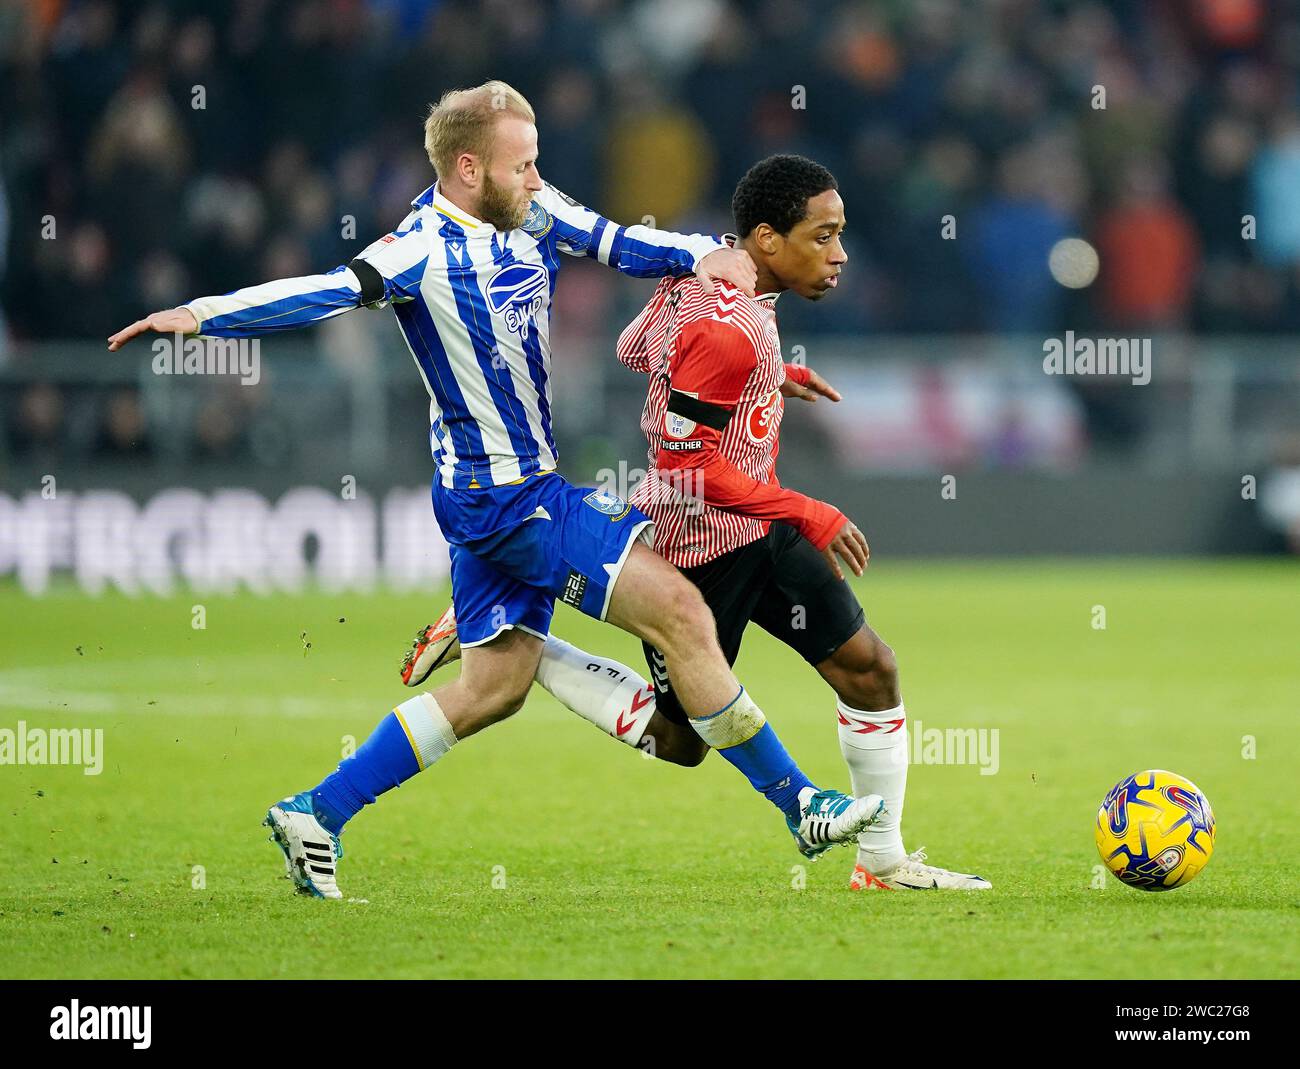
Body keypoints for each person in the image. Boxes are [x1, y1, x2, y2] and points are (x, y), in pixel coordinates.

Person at [108, 85, 885, 899]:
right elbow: (323, 290)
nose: (539, 175)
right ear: (471, 167)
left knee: (493, 688)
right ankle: (801, 802)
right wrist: (200, 314)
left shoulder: (529, 209)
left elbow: (612, 240)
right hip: (512, 499)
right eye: (525, 163)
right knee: (685, 612)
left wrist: (700, 253)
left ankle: (317, 811)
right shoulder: (417, 251)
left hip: (497, 493)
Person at [402, 154, 989, 891]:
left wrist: (766, 380)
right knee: (681, 741)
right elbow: (691, 469)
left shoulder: (710, 274)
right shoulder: (727, 324)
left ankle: (883, 862)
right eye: (824, 236)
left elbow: (631, 348)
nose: (840, 255)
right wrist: (810, 506)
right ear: (768, 240)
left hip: (756, 522)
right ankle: (522, 639)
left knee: (871, 668)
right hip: (699, 543)